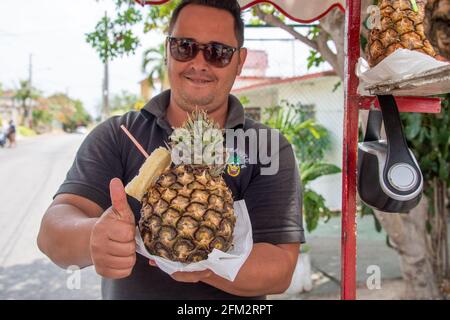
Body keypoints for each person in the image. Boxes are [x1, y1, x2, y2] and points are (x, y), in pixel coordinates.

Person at [37, 0, 305, 300]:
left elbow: (280, 269)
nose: (199, 63)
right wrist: (94, 236)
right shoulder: (119, 134)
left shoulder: (268, 147)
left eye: (218, 52)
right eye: (185, 47)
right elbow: (52, 232)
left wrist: (204, 264)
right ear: (168, 50)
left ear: (240, 61)